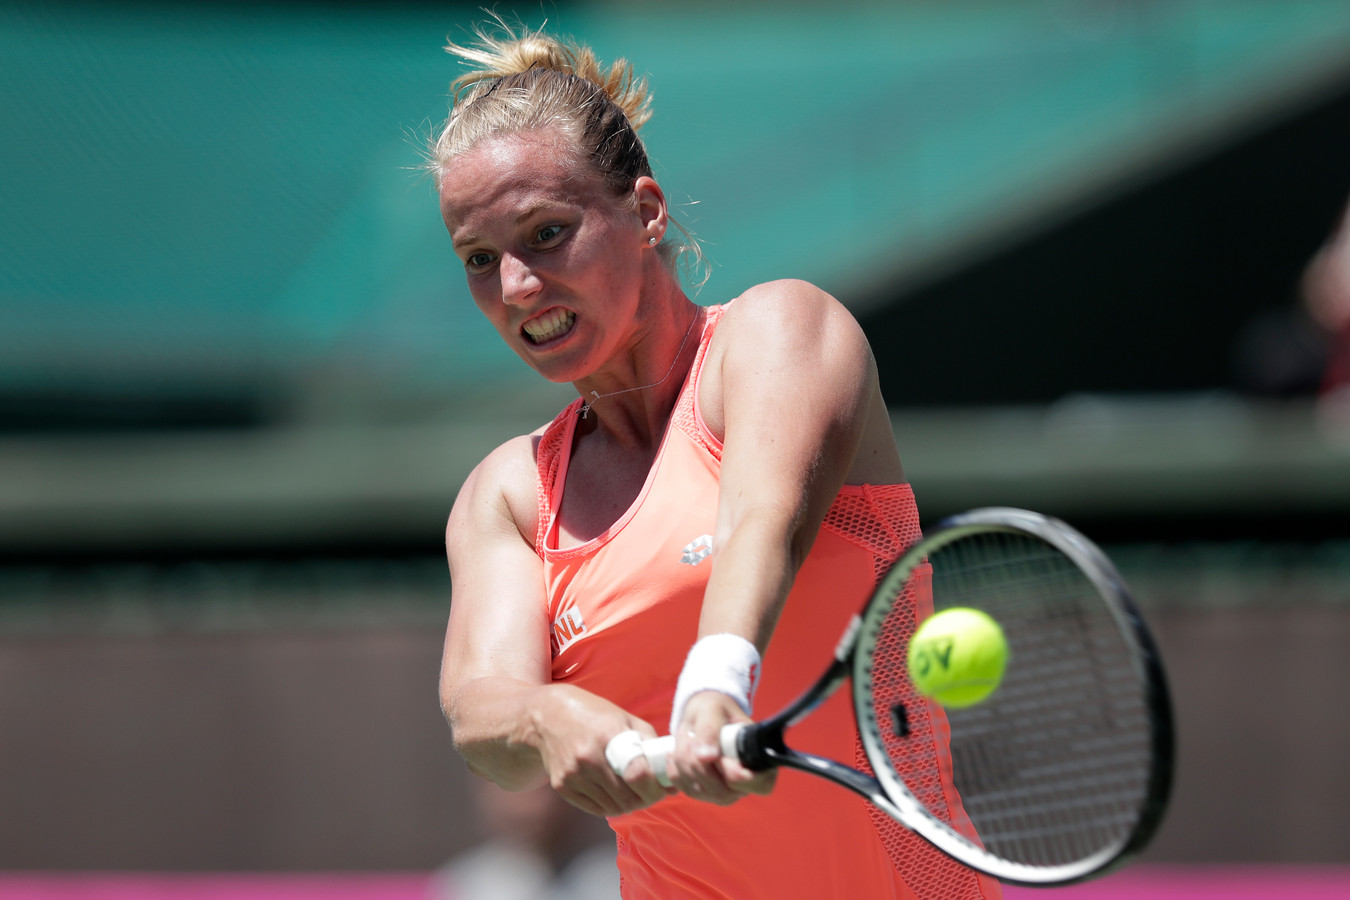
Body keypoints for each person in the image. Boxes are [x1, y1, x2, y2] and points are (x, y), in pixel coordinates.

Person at [431, 21, 1002, 900]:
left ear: (647, 211)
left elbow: (758, 525)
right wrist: (547, 717)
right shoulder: (505, 496)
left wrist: (715, 691)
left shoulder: (780, 332)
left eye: (546, 233)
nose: (515, 288)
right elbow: (480, 704)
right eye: (479, 258)